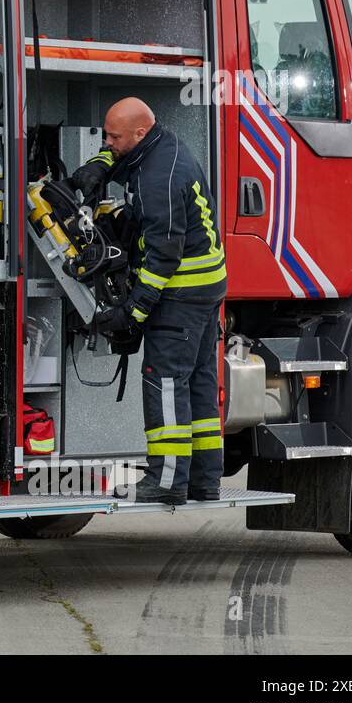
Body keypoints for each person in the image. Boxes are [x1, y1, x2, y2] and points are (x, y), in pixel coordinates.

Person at [65, 98, 227, 505]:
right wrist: (103, 163)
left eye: (113, 137)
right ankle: (204, 480)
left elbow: (163, 257)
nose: (108, 142)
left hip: (181, 292)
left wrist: (133, 311)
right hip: (206, 288)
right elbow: (123, 155)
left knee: (166, 381)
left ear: (139, 133)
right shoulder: (157, 147)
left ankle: (168, 482)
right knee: (200, 383)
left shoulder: (159, 178)